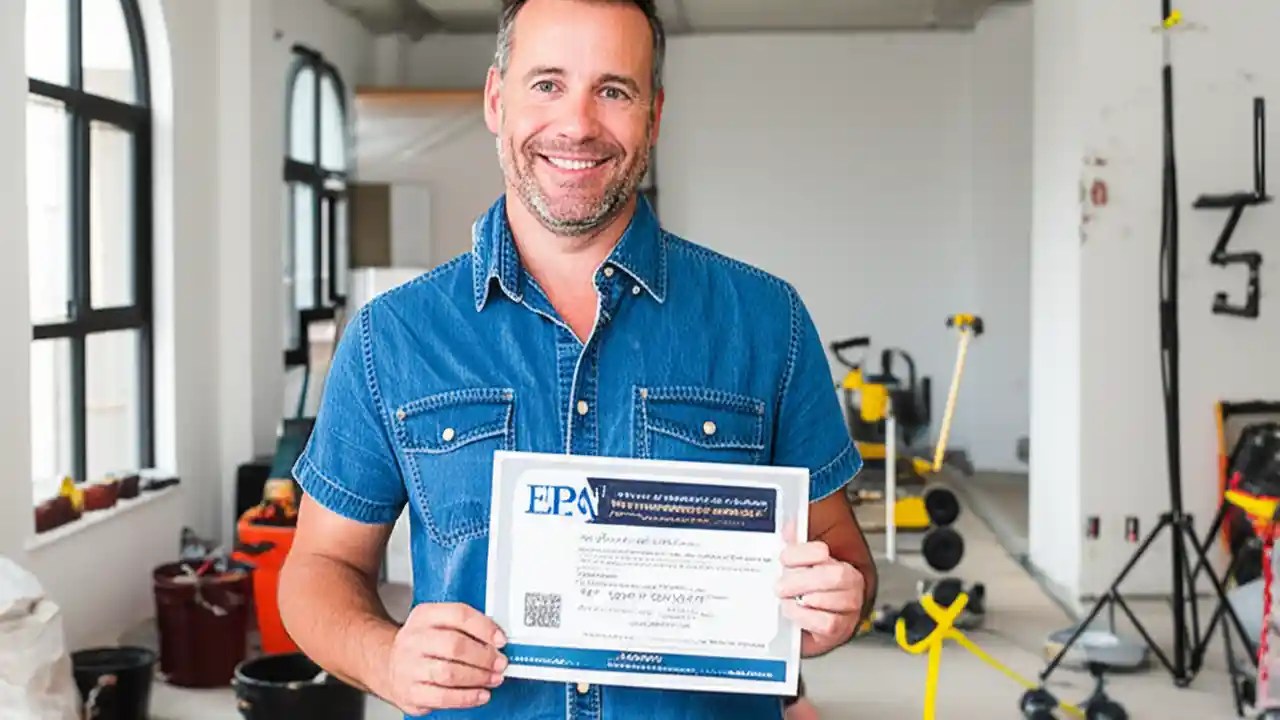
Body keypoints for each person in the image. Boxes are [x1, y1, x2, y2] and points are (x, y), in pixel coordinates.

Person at [276, 0, 878, 718]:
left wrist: (841, 601)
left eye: (613, 90)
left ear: (653, 116)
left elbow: (844, 553)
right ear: (497, 99)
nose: (577, 124)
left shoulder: (765, 321)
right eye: (548, 83)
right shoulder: (392, 337)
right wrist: (384, 655)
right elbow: (317, 569)